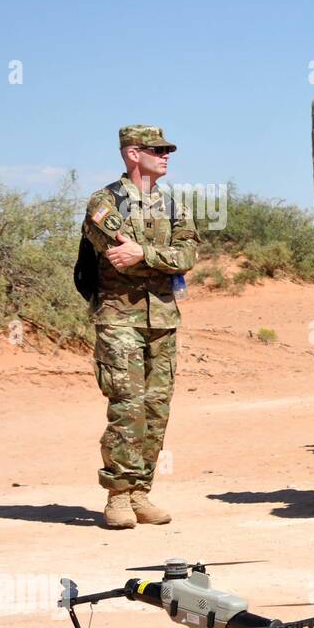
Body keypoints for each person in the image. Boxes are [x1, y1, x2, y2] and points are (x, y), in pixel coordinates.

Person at [81, 125, 198, 529]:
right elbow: (117, 254)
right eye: (157, 149)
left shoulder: (172, 205)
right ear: (133, 154)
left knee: (156, 408)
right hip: (119, 318)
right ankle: (117, 494)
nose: (166, 155)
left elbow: (187, 255)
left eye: (168, 150)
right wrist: (155, 255)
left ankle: (141, 492)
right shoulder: (104, 201)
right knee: (127, 406)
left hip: (163, 319)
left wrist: (145, 253)